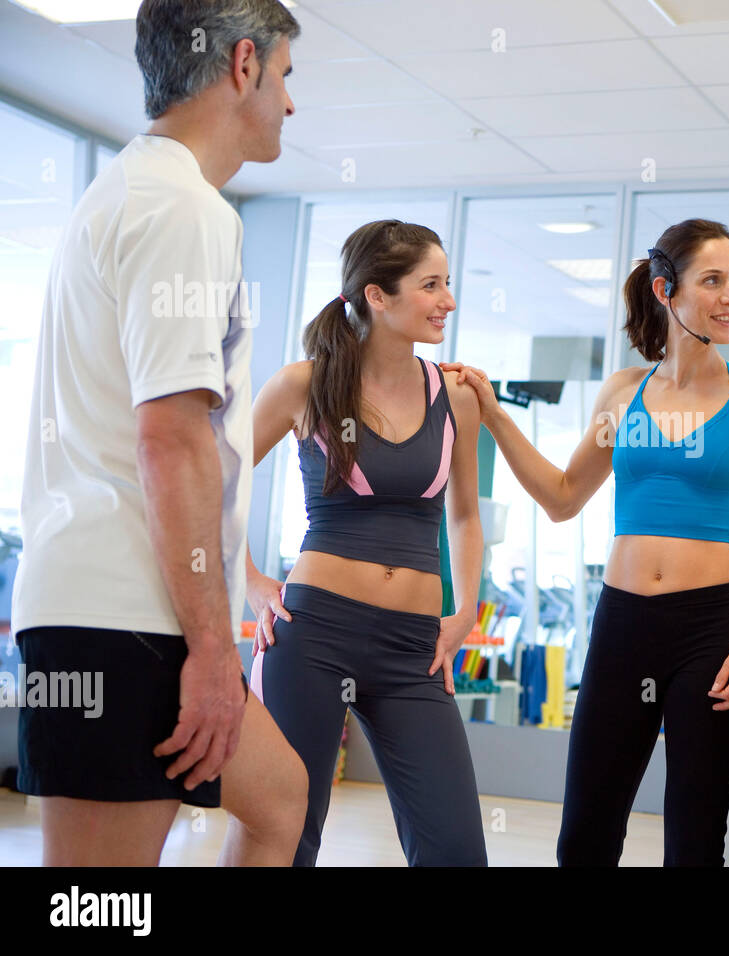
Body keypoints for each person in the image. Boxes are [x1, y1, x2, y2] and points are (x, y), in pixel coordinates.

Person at [10, 0, 307, 865]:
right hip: (119, 617)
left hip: (123, 607)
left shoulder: (137, 191)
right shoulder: (182, 210)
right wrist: (214, 649)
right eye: (286, 77)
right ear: (243, 64)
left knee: (280, 799)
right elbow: (170, 440)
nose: (290, 104)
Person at [444, 218, 729, 866]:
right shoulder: (622, 392)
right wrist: (495, 415)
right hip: (623, 623)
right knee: (585, 832)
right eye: (714, 280)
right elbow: (561, 497)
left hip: (715, 628)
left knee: (694, 839)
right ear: (667, 289)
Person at [246, 220, 488, 867]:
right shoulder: (305, 384)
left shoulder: (456, 396)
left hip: (414, 646)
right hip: (314, 634)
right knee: (290, 833)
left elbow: (463, 516)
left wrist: (465, 611)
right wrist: (249, 580)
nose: (449, 301)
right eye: (431, 285)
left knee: (457, 848)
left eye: (448, 283)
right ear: (378, 295)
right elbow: (214, 477)